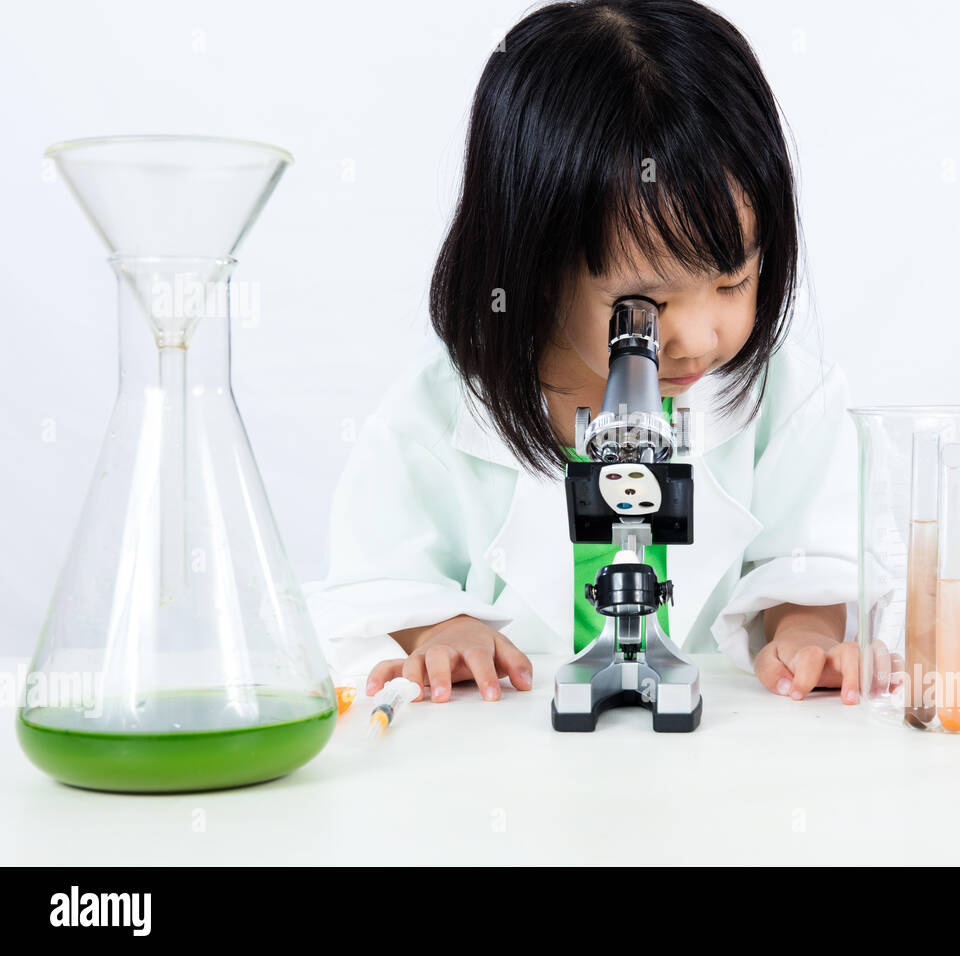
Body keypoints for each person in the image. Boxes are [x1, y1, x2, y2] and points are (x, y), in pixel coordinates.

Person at [307, 0, 894, 707]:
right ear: (536, 265)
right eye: (648, 305)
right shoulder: (430, 422)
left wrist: (805, 631)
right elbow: (375, 585)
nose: (705, 336)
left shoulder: (790, 403)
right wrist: (441, 631)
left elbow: (811, 562)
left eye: (733, 280)